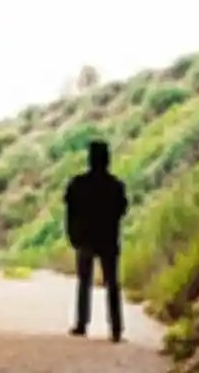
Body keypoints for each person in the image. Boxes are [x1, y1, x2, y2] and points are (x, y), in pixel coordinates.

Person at [63, 140, 128, 342]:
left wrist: (72, 234)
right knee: (112, 284)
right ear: (107, 160)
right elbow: (122, 209)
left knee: (84, 282)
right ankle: (116, 329)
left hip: (85, 239)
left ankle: (82, 324)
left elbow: (70, 211)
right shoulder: (116, 185)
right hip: (108, 238)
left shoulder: (78, 184)